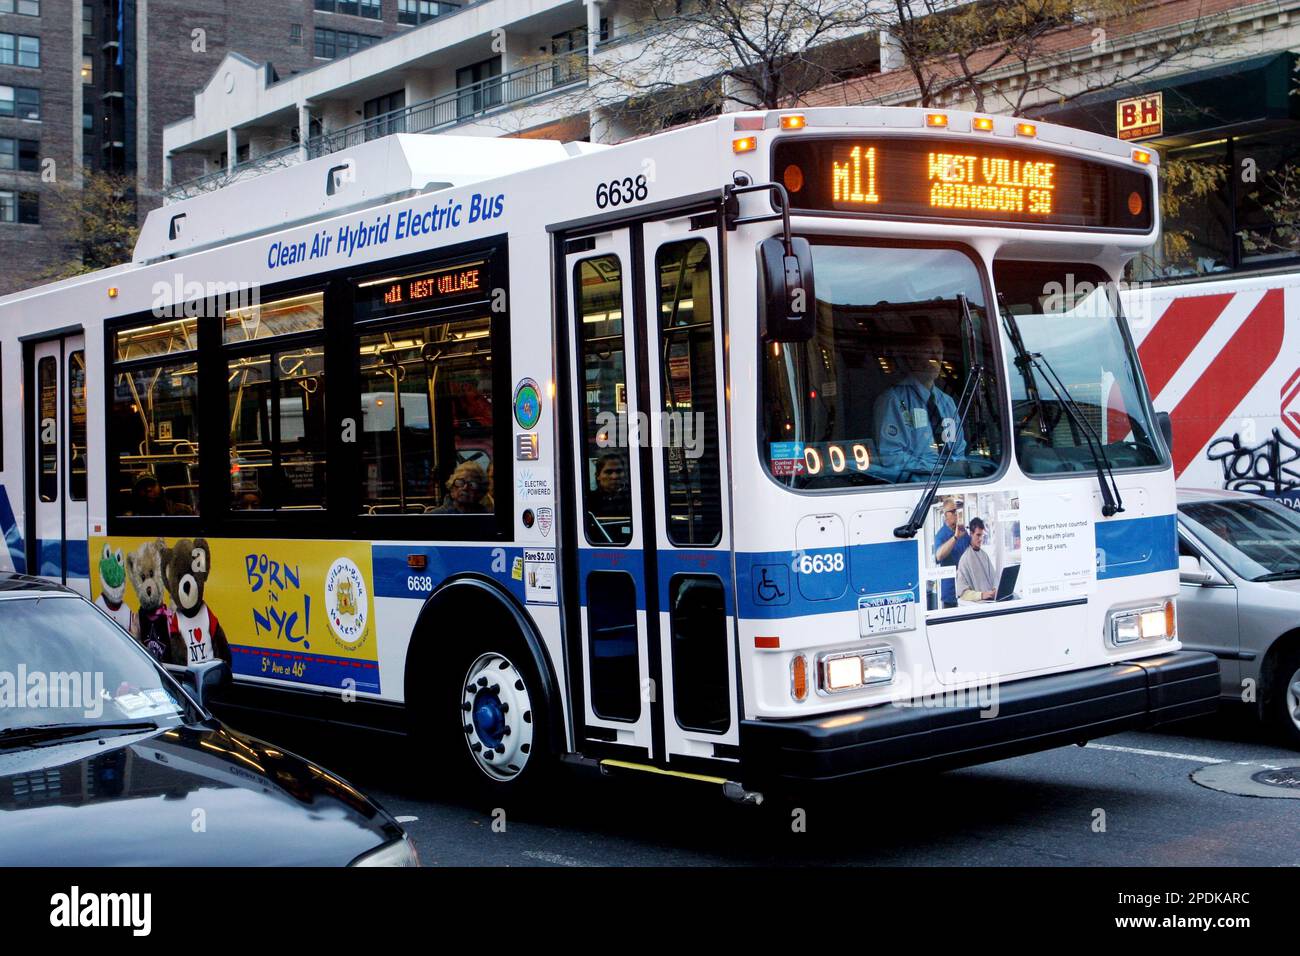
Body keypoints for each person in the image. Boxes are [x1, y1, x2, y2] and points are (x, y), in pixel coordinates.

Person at [873, 331, 966, 480]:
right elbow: (891, 456)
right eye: (928, 352)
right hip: (917, 487)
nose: (936, 359)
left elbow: (959, 450)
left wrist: (958, 468)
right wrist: (939, 470)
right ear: (912, 359)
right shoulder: (893, 400)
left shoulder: (947, 402)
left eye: (939, 352)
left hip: (954, 484)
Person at [933, 495, 969, 609]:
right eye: (952, 511)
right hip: (950, 594)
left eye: (956, 510)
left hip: (965, 590)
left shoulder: (962, 531)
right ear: (945, 515)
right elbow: (938, 556)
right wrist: (955, 537)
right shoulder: (941, 535)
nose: (956, 513)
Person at [955, 516, 998, 602]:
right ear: (971, 533)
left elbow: (994, 580)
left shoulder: (984, 555)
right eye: (978, 535)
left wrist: (995, 590)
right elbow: (963, 594)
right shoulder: (964, 560)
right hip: (978, 606)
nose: (981, 539)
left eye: (982, 535)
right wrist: (982, 595)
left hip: (991, 602)